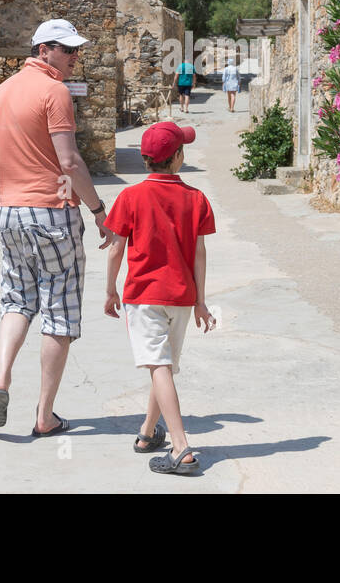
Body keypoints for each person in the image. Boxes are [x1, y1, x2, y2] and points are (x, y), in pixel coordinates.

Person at [0, 18, 113, 437]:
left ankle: (1, 378)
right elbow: (69, 163)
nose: (74, 58)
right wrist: (99, 211)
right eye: (67, 50)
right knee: (60, 311)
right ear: (43, 50)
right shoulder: (55, 92)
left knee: (16, 299)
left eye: (76, 50)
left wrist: (3, 205)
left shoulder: (1, 92)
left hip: (11, 212)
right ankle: (44, 416)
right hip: (53, 213)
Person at [104, 121, 216, 475]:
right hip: (181, 298)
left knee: (159, 365)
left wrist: (110, 290)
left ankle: (181, 447)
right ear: (178, 157)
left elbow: (115, 249)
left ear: (144, 159)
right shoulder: (196, 198)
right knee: (162, 365)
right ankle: (148, 433)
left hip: (143, 296)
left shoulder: (130, 197)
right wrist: (200, 300)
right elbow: (199, 253)